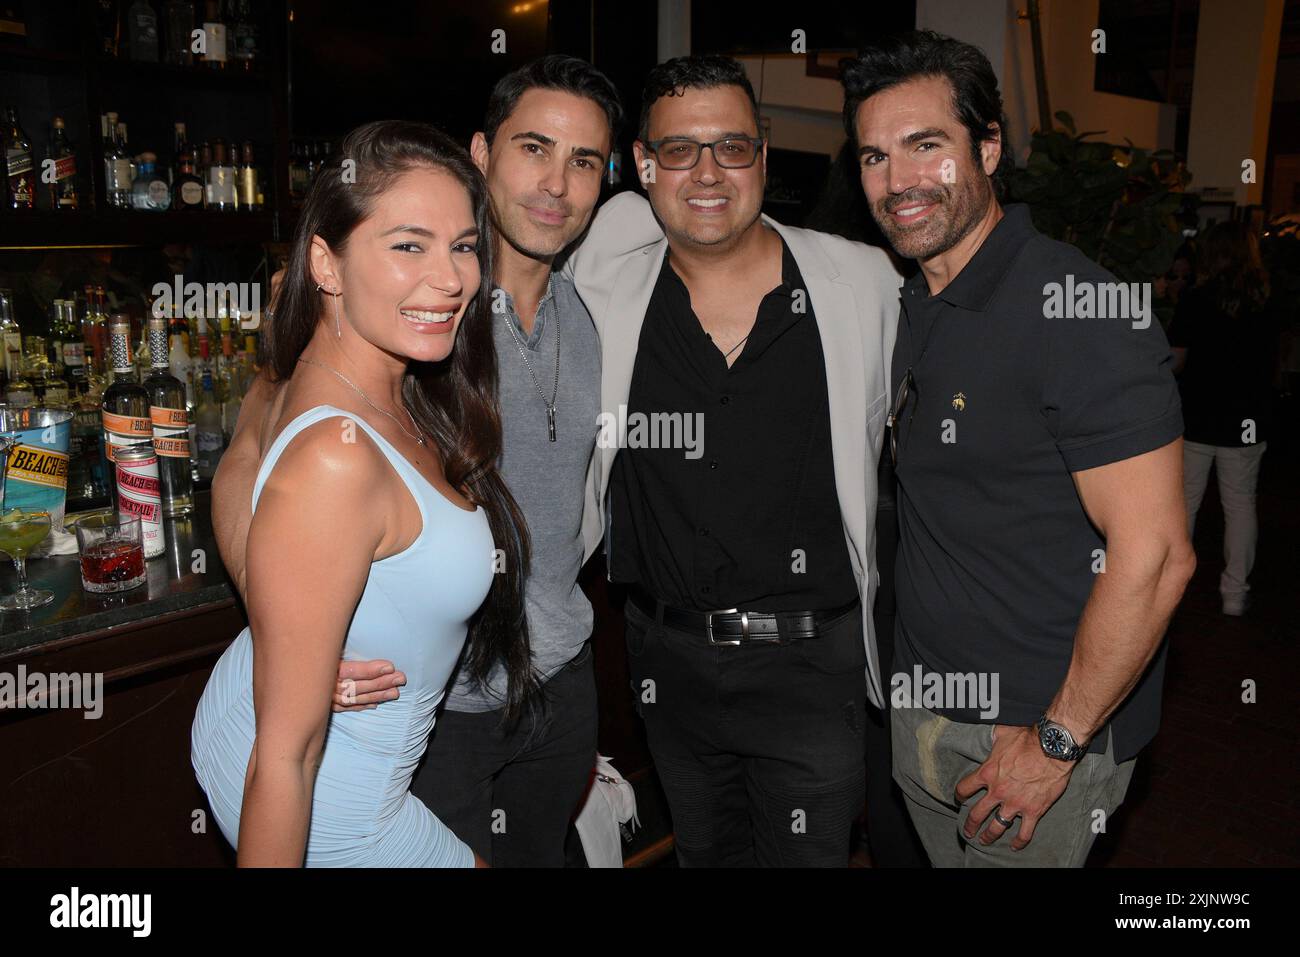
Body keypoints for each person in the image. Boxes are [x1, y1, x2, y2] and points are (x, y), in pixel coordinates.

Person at [212, 57, 621, 866]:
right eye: (533, 148)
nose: (556, 184)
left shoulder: (595, 300)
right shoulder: (394, 315)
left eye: (584, 162)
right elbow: (251, 457)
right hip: (438, 713)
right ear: (482, 151)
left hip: (562, 680)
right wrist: (281, 630)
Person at [842, 30, 1196, 867]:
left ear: (989, 147)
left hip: (1029, 738)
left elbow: (1156, 557)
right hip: (926, 713)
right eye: (873, 156)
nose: (898, 182)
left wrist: (1056, 742)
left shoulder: (1079, 311)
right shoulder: (918, 302)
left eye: (926, 147)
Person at [565, 54, 901, 866]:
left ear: (764, 152)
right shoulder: (603, 286)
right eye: (679, 150)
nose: (708, 172)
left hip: (814, 669)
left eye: (732, 147)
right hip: (668, 666)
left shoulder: (864, 286)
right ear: (643, 165)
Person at [192, 120, 533, 867]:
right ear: (327, 260)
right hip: (330, 800)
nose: (450, 279)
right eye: (408, 244)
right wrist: (292, 649)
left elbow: (239, 461)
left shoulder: (302, 367)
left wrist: (279, 616)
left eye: (464, 245)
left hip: (246, 719)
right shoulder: (338, 458)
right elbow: (288, 755)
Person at [1171, 221, 1282, 616]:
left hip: (1199, 415)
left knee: (1184, 504)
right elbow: (1273, 364)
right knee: (1240, 505)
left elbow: (1178, 361)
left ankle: (1173, 587)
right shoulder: (1268, 302)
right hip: (1248, 417)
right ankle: (1234, 594)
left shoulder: (1195, 300)